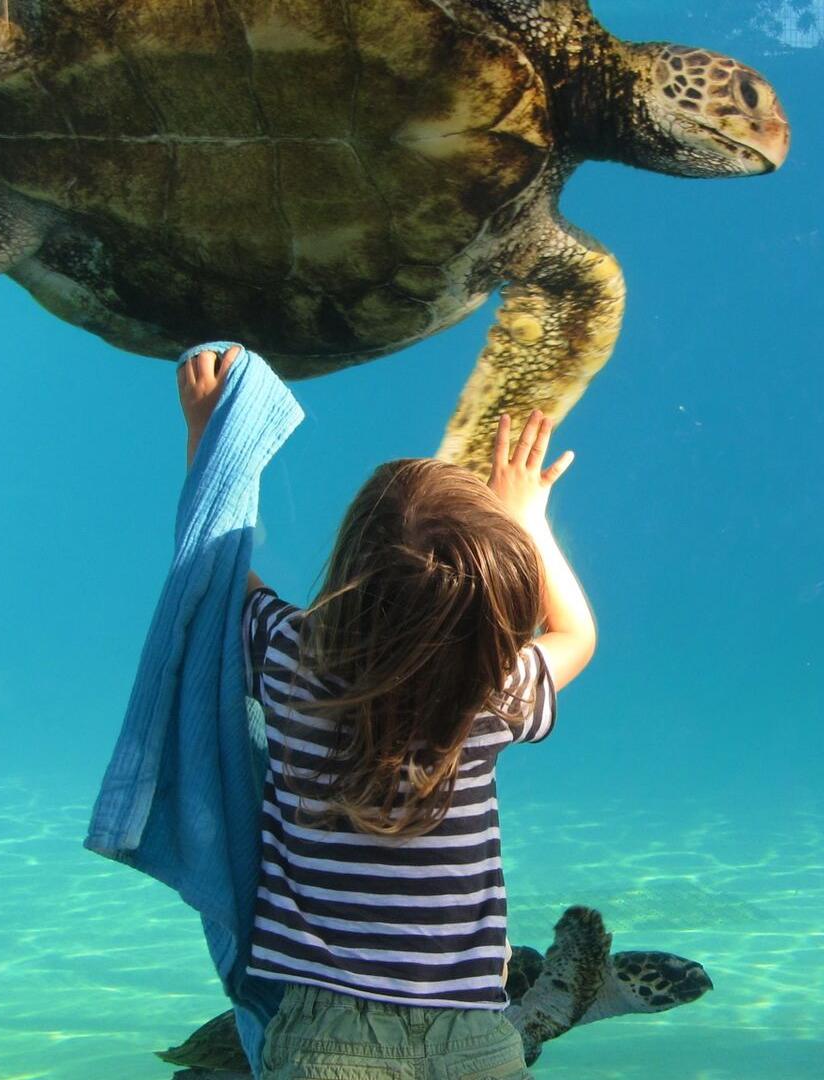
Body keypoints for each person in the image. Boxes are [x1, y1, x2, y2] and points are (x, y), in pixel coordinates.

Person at [177, 346, 597, 1078]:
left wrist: (213, 442)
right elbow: (576, 636)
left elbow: (212, 576)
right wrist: (527, 517)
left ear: (348, 567)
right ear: (496, 609)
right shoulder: (493, 692)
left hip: (325, 1042)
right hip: (473, 1039)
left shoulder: (290, 662)